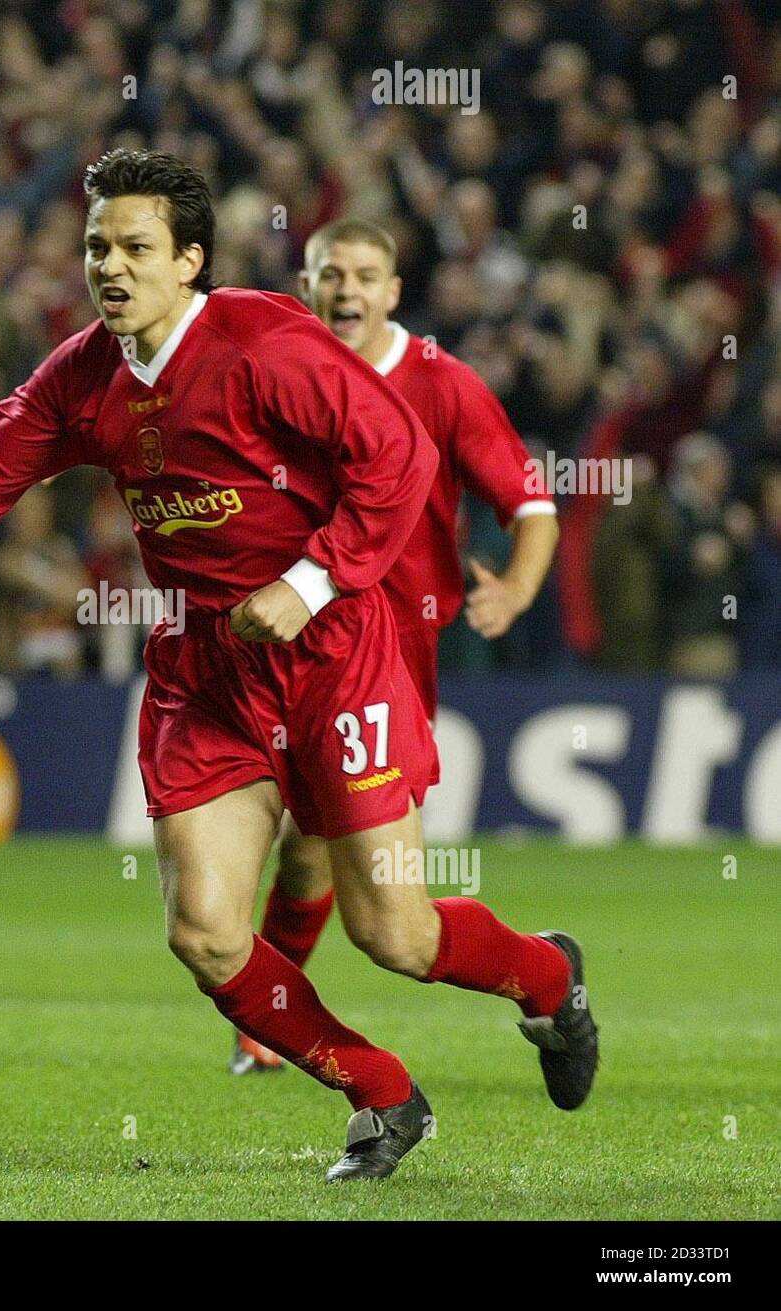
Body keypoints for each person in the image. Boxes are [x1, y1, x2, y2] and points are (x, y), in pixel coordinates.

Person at [0, 150, 597, 1182]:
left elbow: (399, 457)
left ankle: (550, 980)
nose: (109, 266)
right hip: (206, 671)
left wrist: (313, 579)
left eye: (135, 248)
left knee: (397, 935)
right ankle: (379, 1092)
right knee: (204, 934)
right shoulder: (83, 374)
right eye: (96, 246)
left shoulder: (264, 341)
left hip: (335, 654)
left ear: (190, 260)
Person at [231, 217, 563, 1075]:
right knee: (305, 849)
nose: (346, 289)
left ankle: (543, 968)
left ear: (392, 292)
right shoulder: (280, 372)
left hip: (395, 652)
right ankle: (264, 1025)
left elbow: (529, 501)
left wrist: (520, 586)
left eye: (364, 275)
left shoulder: (441, 382)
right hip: (295, 637)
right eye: (330, 273)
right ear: (306, 286)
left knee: (377, 909)